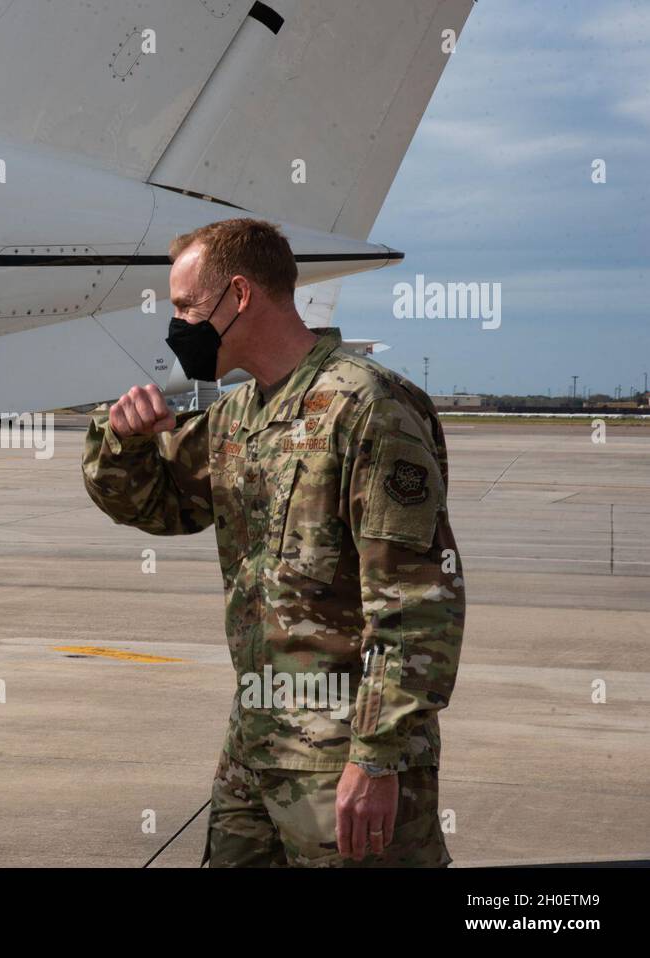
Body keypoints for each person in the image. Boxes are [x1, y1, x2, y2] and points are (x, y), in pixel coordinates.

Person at [82, 218, 464, 866]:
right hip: (256, 746)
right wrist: (124, 440)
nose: (177, 326)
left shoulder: (368, 406)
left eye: (187, 306)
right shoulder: (238, 417)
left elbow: (417, 603)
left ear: (239, 295)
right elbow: (156, 506)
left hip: (343, 755)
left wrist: (378, 757)